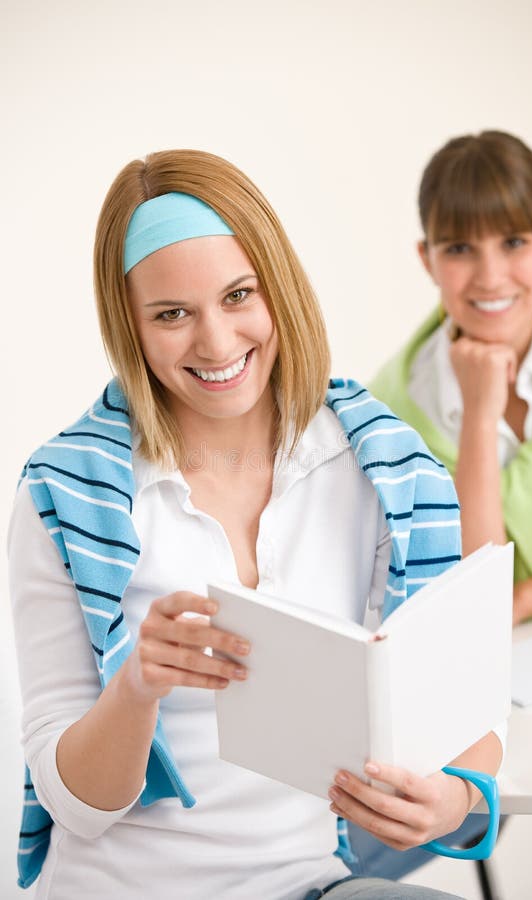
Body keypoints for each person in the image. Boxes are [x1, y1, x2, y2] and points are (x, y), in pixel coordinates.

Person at [9, 149, 503, 900]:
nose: (215, 343)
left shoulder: (381, 468)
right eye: (171, 314)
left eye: (238, 295)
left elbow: (464, 718)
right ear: (131, 328)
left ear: (279, 287)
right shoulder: (65, 492)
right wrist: (136, 687)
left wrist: (456, 798)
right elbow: (75, 809)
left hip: (303, 883)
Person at [371, 130, 532, 626]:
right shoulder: (393, 407)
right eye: (459, 249)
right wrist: (478, 414)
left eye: (514, 242)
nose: (491, 276)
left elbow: (503, 603)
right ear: (426, 258)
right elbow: (476, 597)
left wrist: (527, 599)